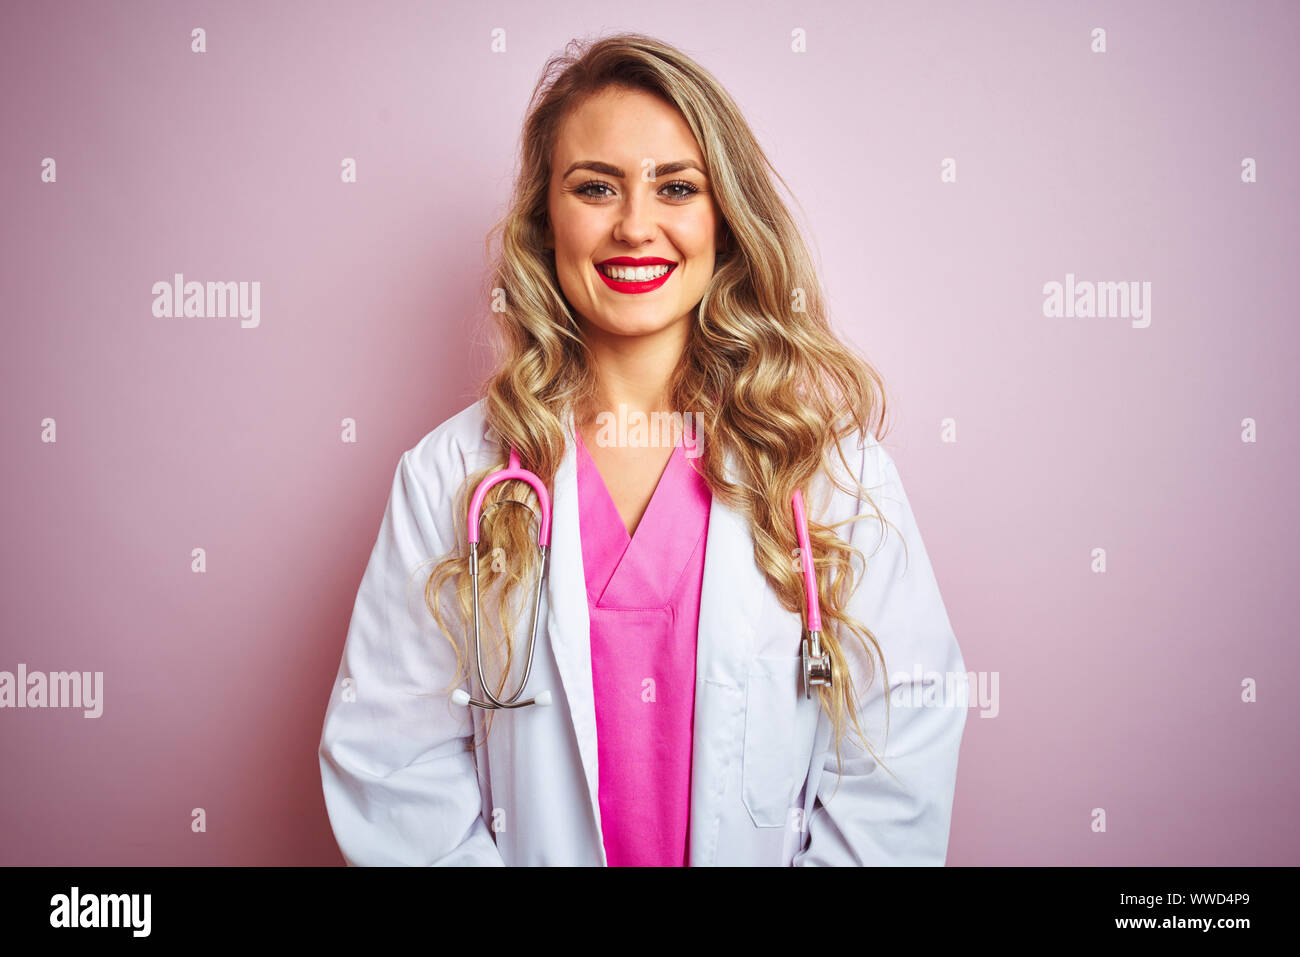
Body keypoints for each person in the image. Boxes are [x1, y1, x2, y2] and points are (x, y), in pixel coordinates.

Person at [318, 32, 967, 866]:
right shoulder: (452, 478)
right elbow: (390, 764)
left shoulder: (833, 477)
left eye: (676, 187)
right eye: (595, 187)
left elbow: (898, 756)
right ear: (545, 219)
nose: (635, 226)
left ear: (723, 218)